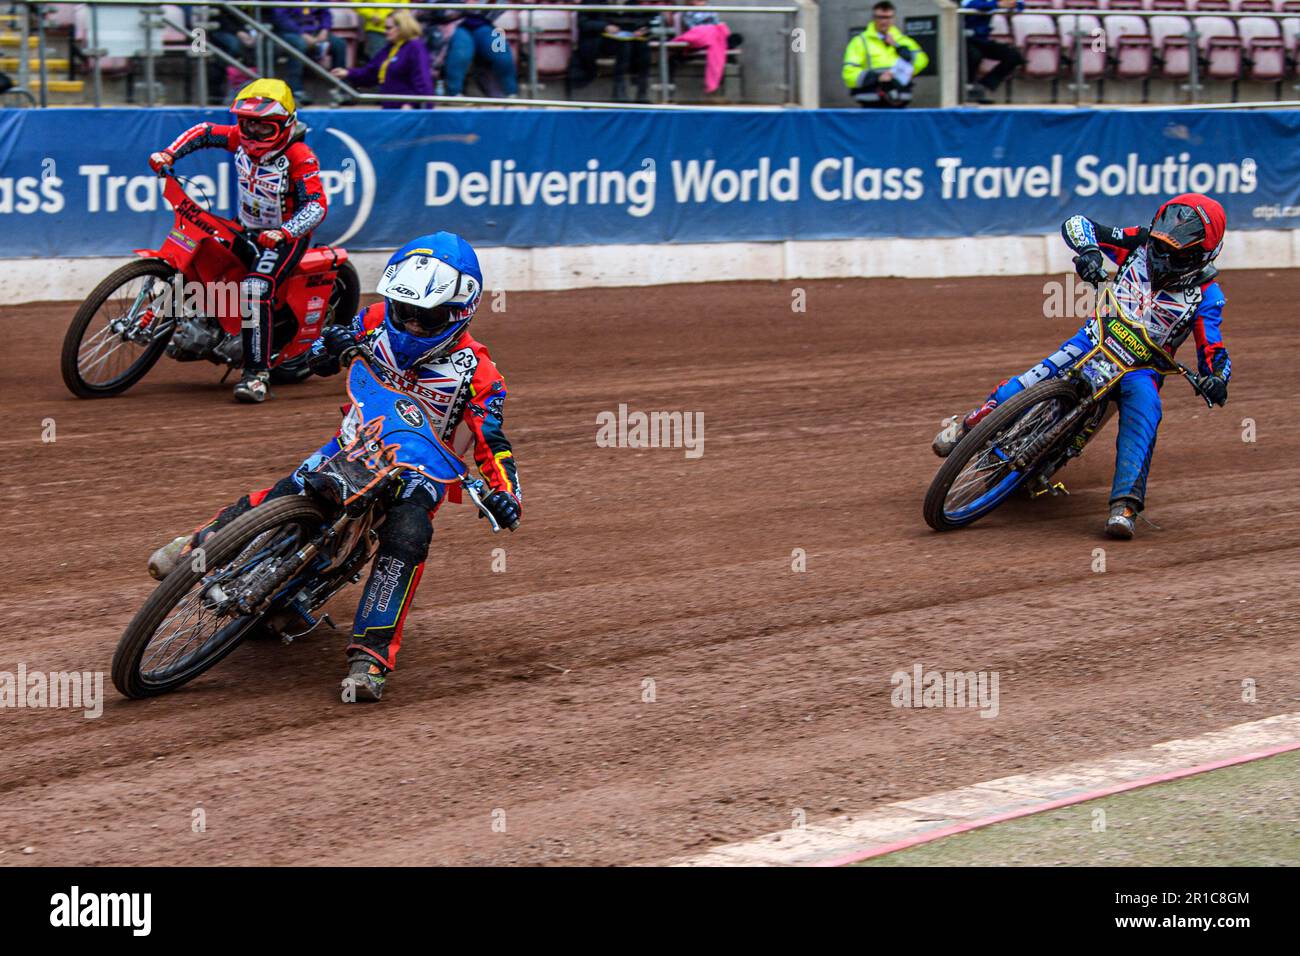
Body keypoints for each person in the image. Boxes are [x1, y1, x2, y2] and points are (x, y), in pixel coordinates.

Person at [147, 233, 523, 702]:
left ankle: (371, 657)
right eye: (401, 310)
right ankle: (199, 544)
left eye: (423, 318)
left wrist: (506, 492)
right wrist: (329, 346)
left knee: (406, 538)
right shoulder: (374, 320)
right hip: (357, 442)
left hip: (421, 473)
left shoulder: (479, 374)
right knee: (288, 491)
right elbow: (314, 356)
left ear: (458, 311)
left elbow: (492, 440)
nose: (407, 323)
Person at [932, 194, 1231, 539]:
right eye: (1161, 246)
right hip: (1093, 339)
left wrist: (1215, 379)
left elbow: (1214, 349)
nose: (1162, 256)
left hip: (1140, 370)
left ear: (1201, 255)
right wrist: (1089, 252)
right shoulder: (1139, 241)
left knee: (1146, 412)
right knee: (1028, 381)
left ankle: (1125, 505)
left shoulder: (1207, 296)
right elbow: (1078, 224)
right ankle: (969, 427)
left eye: (1175, 253)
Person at [148, 79, 329, 404]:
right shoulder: (238, 140)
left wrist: (285, 232)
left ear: (286, 124)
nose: (253, 136)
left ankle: (257, 375)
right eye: (248, 126)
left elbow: (316, 205)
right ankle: (196, 324)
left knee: (255, 288)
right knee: (202, 250)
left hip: (285, 238)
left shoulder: (300, 156)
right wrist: (169, 153)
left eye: (264, 129)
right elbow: (203, 132)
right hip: (246, 227)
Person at [332, 9, 433, 108]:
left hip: (407, 111)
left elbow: (423, 81)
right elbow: (371, 72)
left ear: (402, 28)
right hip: (391, 109)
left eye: (389, 28)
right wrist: (347, 73)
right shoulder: (390, 48)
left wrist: (412, 104)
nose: (385, 32)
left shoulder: (416, 47)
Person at [842, 1, 929, 108]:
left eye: (888, 17)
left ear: (893, 19)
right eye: (880, 17)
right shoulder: (860, 42)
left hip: (899, 100)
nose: (884, 21)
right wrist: (878, 77)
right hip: (871, 102)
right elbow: (849, 73)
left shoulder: (903, 41)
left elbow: (922, 60)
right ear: (874, 18)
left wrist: (898, 47)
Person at [570, 0, 655, 103]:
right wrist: (604, 27)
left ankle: (642, 92)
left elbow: (646, 20)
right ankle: (619, 91)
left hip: (625, 39)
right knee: (623, 45)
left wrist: (641, 29)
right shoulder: (591, 1)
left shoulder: (631, 2)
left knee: (643, 46)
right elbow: (583, 23)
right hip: (597, 40)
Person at [441, 0, 518, 98]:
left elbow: (500, 6)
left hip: (484, 23)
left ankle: (511, 93)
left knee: (502, 52)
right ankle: (454, 93)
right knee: (461, 52)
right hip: (453, 25)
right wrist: (464, 6)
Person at [272, 4, 348, 101]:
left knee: (339, 44)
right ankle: (296, 91)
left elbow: (325, 13)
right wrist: (301, 33)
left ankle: (341, 89)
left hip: (314, 31)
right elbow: (281, 18)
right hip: (289, 32)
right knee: (299, 44)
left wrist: (324, 29)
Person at [675, 0, 743, 96]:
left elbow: (717, 23)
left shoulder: (710, 9)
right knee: (715, 33)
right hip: (699, 34)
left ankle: (725, 41)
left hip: (713, 35)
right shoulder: (687, 11)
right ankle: (726, 43)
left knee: (722, 32)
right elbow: (692, 27)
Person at [961, 0, 1023, 104]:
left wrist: (1014, 4)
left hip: (982, 40)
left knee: (1013, 56)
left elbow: (1020, 5)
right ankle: (968, 87)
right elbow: (970, 5)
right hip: (964, 39)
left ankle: (983, 86)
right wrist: (996, 4)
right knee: (974, 56)